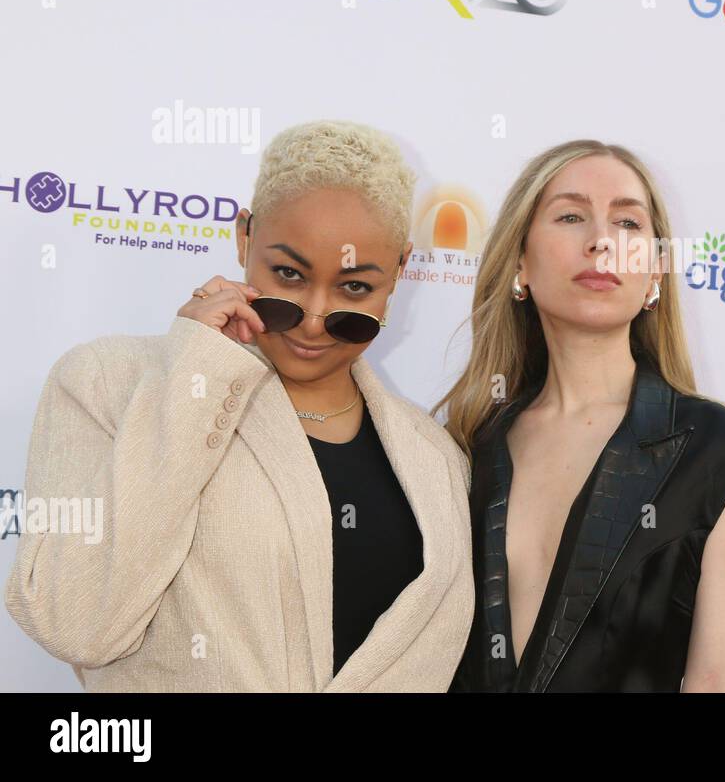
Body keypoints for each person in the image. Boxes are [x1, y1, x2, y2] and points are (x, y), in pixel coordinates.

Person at [5, 120, 473, 691]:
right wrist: (193, 376)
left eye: (354, 288)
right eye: (288, 275)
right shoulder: (107, 383)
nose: (314, 317)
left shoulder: (435, 458)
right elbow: (73, 623)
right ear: (244, 238)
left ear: (399, 270)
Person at [440, 139, 725, 692]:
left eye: (628, 224)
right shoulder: (461, 448)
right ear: (519, 262)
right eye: (571, 216)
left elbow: (717, 678)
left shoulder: (719, 452)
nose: (601, 243)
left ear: (655, 275)